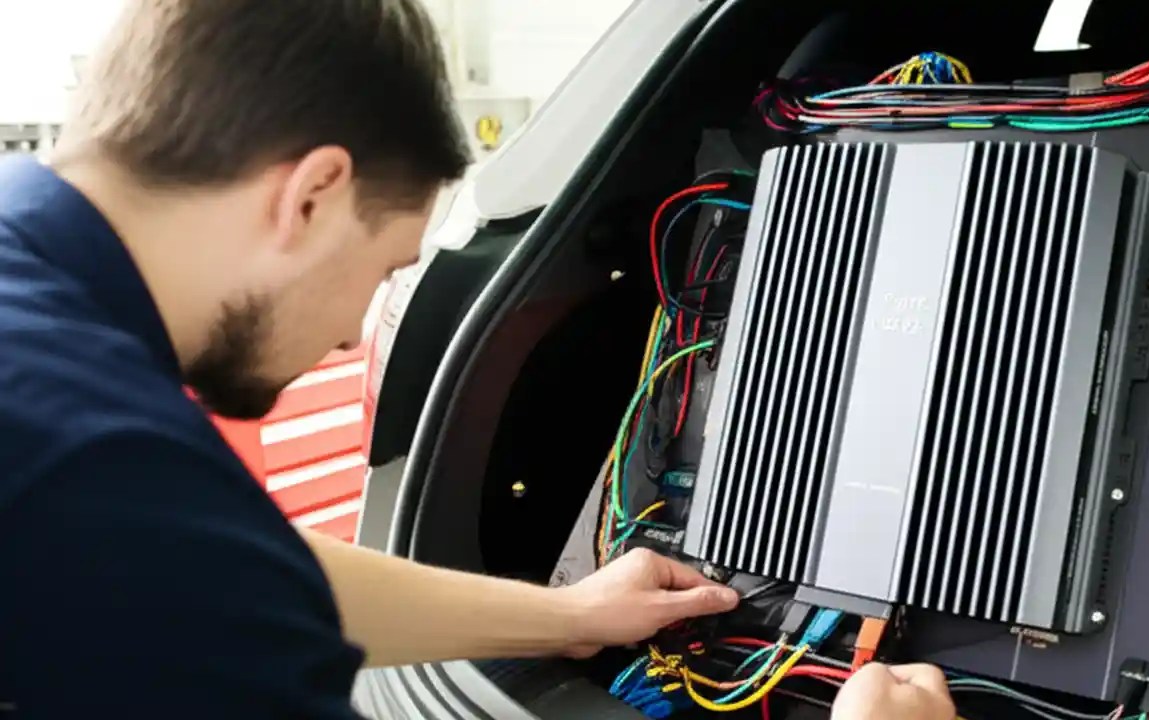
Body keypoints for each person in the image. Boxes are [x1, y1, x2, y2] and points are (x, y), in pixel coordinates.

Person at [0, 1, 954, 719]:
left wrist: (573, 618)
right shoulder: (89, 460)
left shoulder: (45, 344)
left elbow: (234, 578)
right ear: (313, 195)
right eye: (383, 271)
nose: (347, 339)